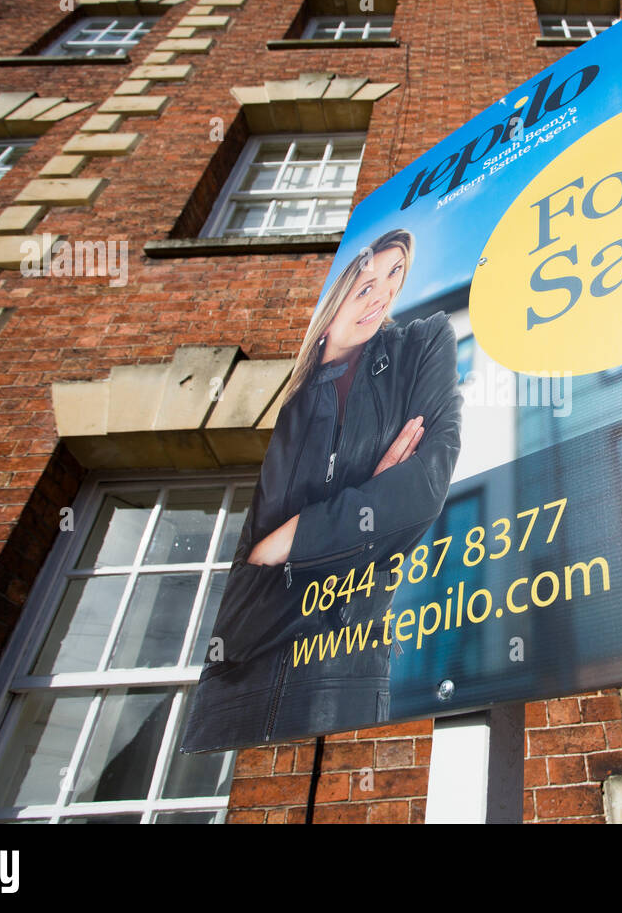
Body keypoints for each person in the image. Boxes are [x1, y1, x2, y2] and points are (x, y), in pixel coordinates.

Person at [181, 228, 463, 753]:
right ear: (333, 297)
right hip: (233, 695)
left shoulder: (422, 345)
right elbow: (236, 622)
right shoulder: (291, 406)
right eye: (363, 286)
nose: (381, 296)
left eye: (395, 273)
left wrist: (286, 541)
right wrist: (368, 501)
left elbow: (422, 489)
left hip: (343, 678)